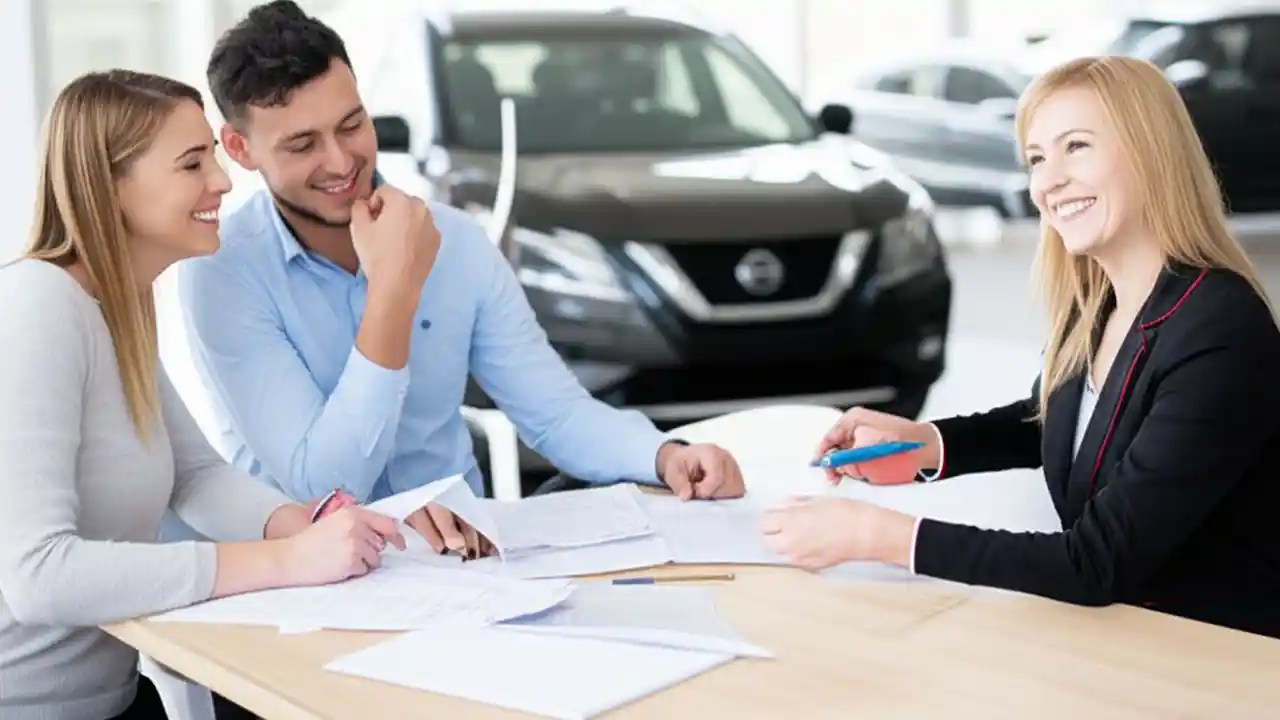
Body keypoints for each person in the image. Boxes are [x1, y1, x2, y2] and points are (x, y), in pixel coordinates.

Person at [180, 0, 745, 558]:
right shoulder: (222, 269)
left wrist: (664, 454)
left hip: (464, 565)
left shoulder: (456, 240)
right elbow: (323, 485)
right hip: (310, 581)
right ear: (239, 148)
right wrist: (393, 290)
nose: (340, 161)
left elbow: (555, 413)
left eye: (352, 124)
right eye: (302, 145)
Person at [761, 55, 1280, 639]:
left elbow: (1095, 561)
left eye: (1076, 146)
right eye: (1037, 158)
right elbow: (1061, 425)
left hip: (1219, 658)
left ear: (1151, 151)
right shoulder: (1100, 305)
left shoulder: (1219, 328)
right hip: (1127, 635)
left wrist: (878, 537)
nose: (1048, 180)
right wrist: (927, 446)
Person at [0, 70, 409, 720]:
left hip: (115, 699)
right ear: (111, 186)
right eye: (193, 163)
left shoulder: (116, 303)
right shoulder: (36, 307)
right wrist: (281, 560)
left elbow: (195, 475)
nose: (222, 181)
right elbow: (37, 577)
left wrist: (300, 523)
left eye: (213, 157)